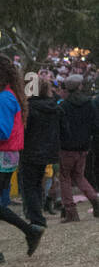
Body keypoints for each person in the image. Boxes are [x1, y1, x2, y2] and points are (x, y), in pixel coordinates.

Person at [0, 55, 43, 264]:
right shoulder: (10, 95)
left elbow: (2, 131)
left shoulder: (3, 98)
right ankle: (30, 230)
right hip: (7, 155)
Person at [57, 74, 99, 223]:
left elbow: (60, 128)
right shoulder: (89, 103)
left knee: (65, 178)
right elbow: (95, 125)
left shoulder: (63, 106)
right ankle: (94, 198)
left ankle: (70, 211)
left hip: (67, 147)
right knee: (79, 176)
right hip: (83, 146)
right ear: (80, 86)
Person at [21, 78, 60, 227]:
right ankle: (38, 213)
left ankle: (36, 217)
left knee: (30, 185)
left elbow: (25, 130)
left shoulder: (30, 109)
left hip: (31, 150)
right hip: (47, 150)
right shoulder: (54, 108)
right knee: (38, 183)